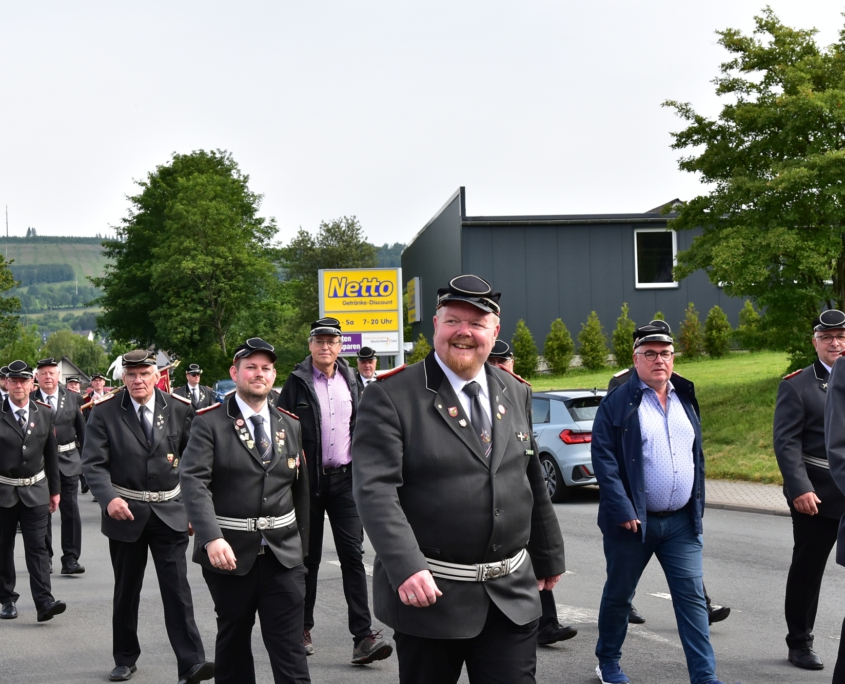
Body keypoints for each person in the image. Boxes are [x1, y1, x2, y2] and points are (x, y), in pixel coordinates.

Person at [353, 274, 566, 684]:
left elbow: (527, 475)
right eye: (453, 321)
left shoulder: (514, 390)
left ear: (494, 331)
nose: (464, 333)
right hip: (432, 594)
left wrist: (549, 551)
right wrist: (406, 566)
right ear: (435, 325)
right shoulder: (391, 395)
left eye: (477, 323)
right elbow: (375, 489)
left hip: (510, 593)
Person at [591, 324, 724, 684]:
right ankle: (608, 663)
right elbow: (603, 459)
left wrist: (696, 506)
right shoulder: (617, 402)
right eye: (649, 354)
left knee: (693, 600)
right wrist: (621, 508)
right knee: (619, 596)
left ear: (673, 358)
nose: (658, 360)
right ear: (635, 359)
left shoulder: (685, 396)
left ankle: (704, 676)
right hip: (632, 523)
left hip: (681, 522)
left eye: (665, 353)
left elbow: (695, 456)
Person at [180, 338, 311, 684]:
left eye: (266, 368)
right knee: (234, 642)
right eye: (251, 367)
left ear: (273, 375)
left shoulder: (290, 424)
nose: (259, 374)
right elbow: (194, 482)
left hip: (283, 556)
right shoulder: (209, 423)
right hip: (230, 555)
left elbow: (301, 492)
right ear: (234, 372)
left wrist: (302, 552)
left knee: (289, 647)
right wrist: (211, 538)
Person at [81, 350, 213, 684]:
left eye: (144, 374)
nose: (138, 380)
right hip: (125, 513)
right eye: (131, 375)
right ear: (122, 377)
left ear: (157, 375)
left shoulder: (179, 409)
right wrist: (108, 498)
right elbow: (93, 464)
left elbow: (195, 464)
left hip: (170, 513)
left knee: (178, 590)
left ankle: (192, 662)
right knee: (127, 590)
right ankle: (125, 657)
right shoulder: (106, 412)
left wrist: (195, 509)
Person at [276, 317, 391, 663]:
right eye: (319, 341)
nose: (325, 347)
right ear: (310, 345)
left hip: (345, 481)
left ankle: (363, 637)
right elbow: (283, 431)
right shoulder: (296, 383)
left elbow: (366, 428)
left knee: (352, 558)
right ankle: (301, 628)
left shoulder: (353, 380)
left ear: (341, 346)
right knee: (306, 559)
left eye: (332, 341)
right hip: (308, 483)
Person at [485, 339, 577, 648]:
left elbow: (528, 449)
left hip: (519, 493)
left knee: (537, 558)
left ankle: (545, 623)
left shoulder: (520, 391)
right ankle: (538, 622)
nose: (499, 367)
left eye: (504, 361)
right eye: (493, 362)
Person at [775, 309, 845, 671]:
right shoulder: (798, 385)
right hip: (818, 496)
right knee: (808, 569)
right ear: (815, 341)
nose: (836, 343)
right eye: (828, 337)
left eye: (842, 336)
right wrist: (799, 488)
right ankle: (799, 642)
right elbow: (786, 443)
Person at [0, 360, 66, 623]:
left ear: (32, 383)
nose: (18, 385)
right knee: (3, 547)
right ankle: (6, 599)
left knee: (38, 547)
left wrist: (55, 490)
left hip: (36, 490)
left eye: (23, 381)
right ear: (6, 383)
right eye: (13, 381)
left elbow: (51, 453)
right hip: (3, 491)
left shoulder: (44, 412)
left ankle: (44, 601)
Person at [32, 358, 87, 576]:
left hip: (68, 459)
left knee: (70, 510)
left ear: (58, 376)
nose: (47, 377)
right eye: (43, 373)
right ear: (37, 377)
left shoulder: (73, 398)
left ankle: (71, 557)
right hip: (40, 463)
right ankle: (44, 557)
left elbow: (83, 433)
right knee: (42, 511)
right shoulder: (29, 398)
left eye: (51, 373)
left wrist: (87, 464)